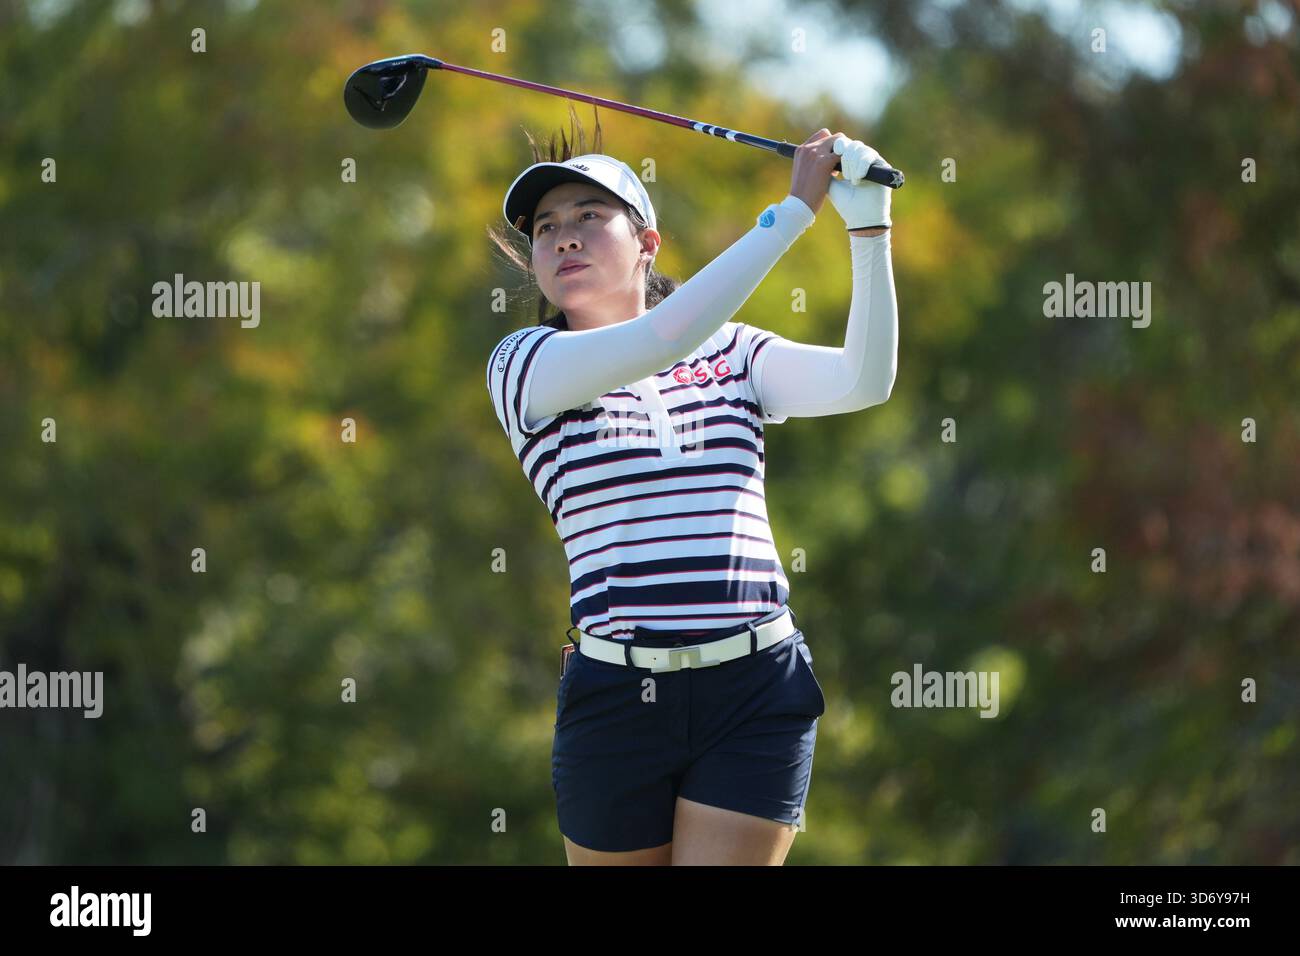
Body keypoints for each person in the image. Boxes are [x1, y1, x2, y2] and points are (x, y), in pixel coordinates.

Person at [485, 110, 898, 865]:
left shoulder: (733, 353)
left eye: (589, 216)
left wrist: (869, 233)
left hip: (754, 686)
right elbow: (660, 336)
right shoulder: (525, 366)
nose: (564, 236)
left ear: (648, 243)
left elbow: (862, 381)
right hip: (617, 696)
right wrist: (793, 214)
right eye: (545, 228)